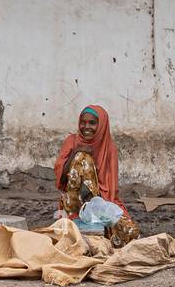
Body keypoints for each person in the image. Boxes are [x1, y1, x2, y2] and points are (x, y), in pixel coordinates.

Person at [53, 105, 141, 248]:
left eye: (92, 123)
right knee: (82, 157)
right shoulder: (72, 141)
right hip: (73, 202)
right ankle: (81, 215)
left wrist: (102, 210)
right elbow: (61, 180)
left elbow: (110, 189)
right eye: (83, 122)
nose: (86, 126)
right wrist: (76, 152)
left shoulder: (110, 148)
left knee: (132, 233)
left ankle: (96, 220)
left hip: (100, 202)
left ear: (101, 125)